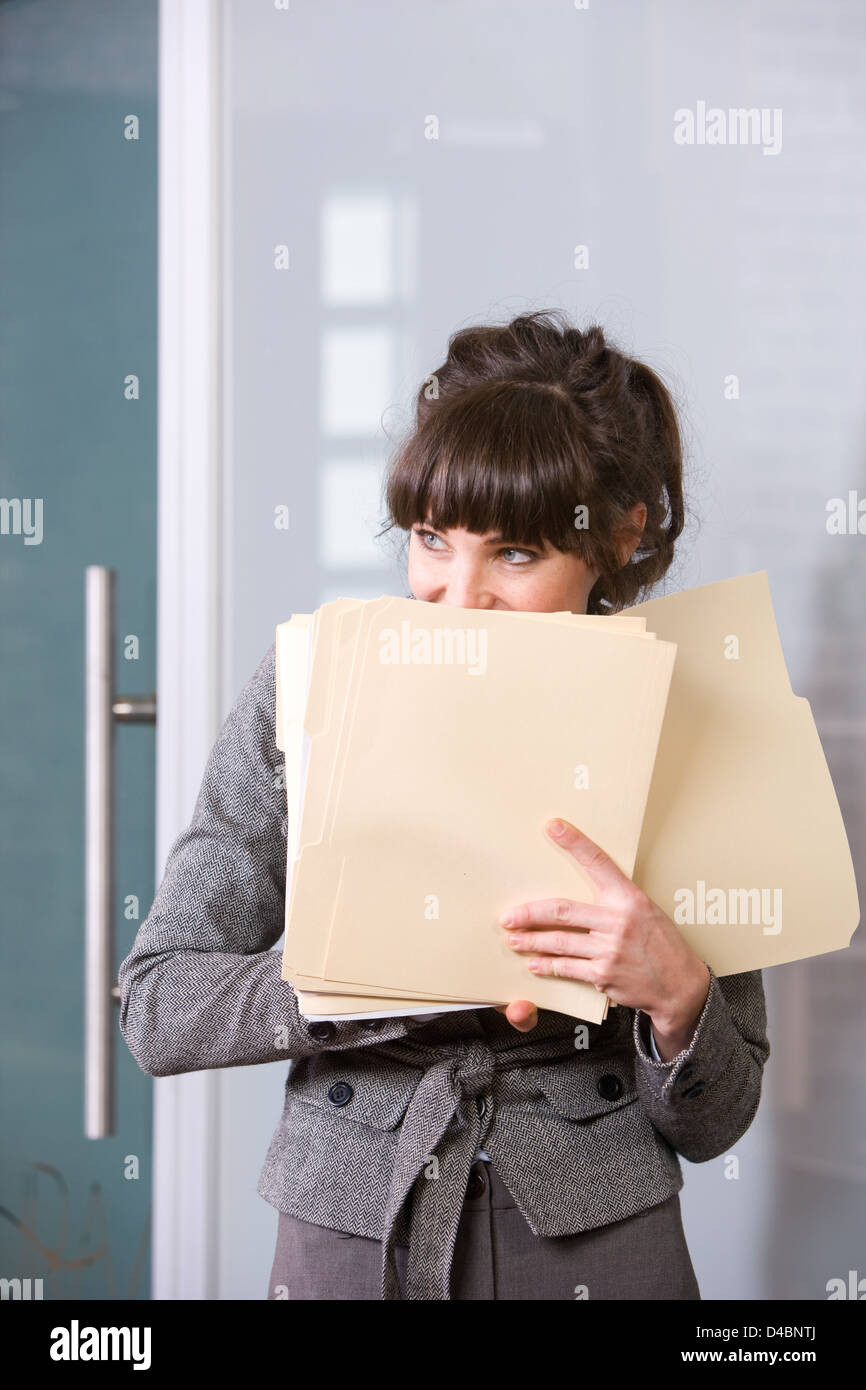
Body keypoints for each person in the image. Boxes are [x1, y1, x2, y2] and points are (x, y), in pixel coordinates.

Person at [118, 309, 770, 1301]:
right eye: (430, 538)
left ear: (620, 533)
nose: (456, 596)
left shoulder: (689, 720)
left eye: (512, 554)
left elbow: (714, 1120)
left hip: (598, 1237)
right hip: (348, 1219)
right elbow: (160, 1007)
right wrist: (373, 974)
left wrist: (675, 997)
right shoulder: (307, 688)